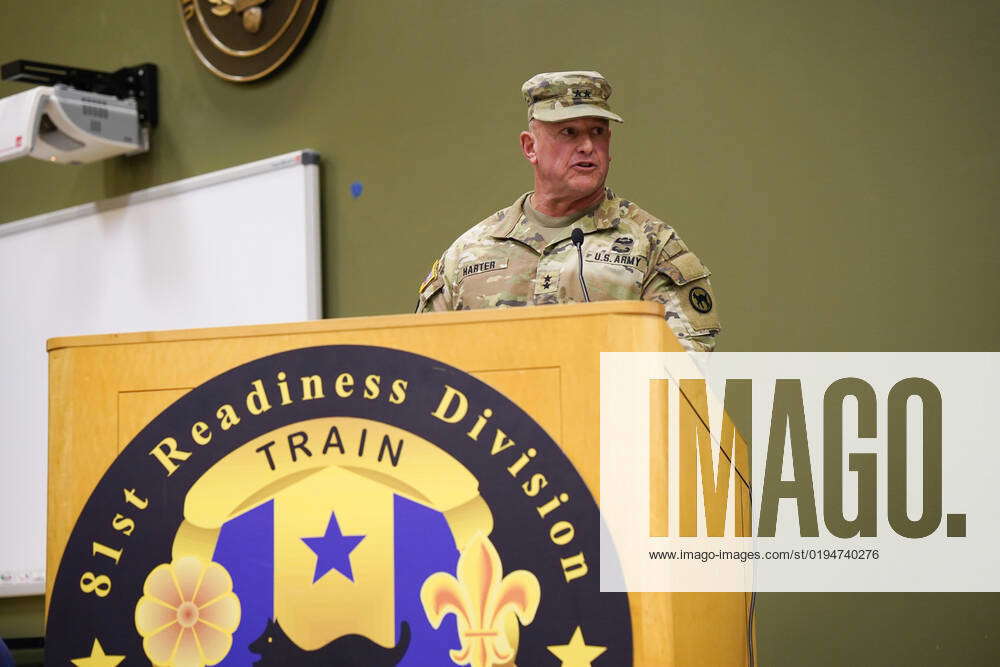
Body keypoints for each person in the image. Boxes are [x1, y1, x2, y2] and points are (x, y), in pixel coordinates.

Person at [415, 71, 721, 352]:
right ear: (530, 147)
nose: (587, 146)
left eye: (598, 132)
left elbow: (686, 368)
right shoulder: (470, 252)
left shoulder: (652, 245)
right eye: (569, 132)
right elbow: (425, 361)